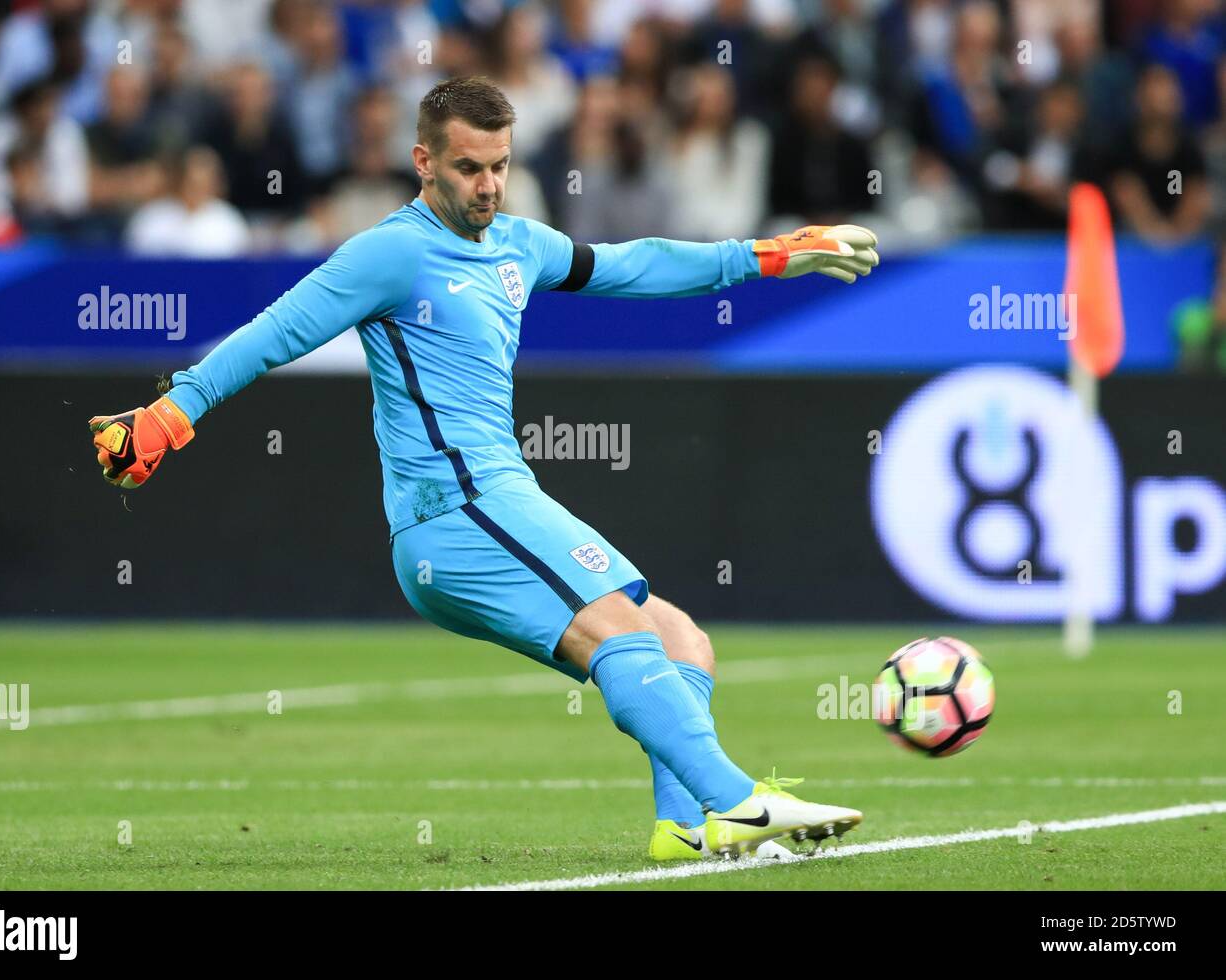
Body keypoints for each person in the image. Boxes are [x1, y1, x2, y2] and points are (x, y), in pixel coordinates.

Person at [86, 76, 879, 862]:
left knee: (682, 641)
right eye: (469, 167)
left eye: (499, 165)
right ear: (423, 162)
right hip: (451, 510)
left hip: (500, 502)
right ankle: (737, 801)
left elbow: (635, 265)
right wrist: (170, 414)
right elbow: (278, 330)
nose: (488, 184)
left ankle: (685, 827)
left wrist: (767, 257)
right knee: (622, 631)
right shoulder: (392, 251)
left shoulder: (519, 244)